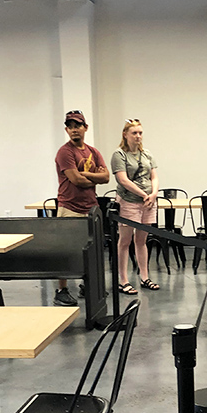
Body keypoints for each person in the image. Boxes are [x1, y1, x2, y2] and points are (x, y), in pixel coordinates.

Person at [53, 109, 109, 306]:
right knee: (67, 250)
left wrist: (90, 177)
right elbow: (76, 179)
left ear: (86, 127)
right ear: (67, 130)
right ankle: (61, 290)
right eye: (70, 126)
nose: (74, 129)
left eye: (78, 125)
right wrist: (95, 177)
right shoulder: (65, 152)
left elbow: (107, 177)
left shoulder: (93, 152)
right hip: (69, 206)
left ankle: (88, 284)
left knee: (91, 250)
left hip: (91, 208)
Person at [111, 118, 159, 294]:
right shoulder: (119, 155)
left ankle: (144, 277)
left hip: (147, 202)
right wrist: (143, 194)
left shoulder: (146, 154)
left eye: (140, 133)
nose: (138, 136)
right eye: (134, 133)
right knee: (125, 241)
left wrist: (153, 194)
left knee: (142, 241)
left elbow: (154, 176)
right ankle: (123, 280)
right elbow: (122, 179)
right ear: (125, 134)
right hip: (129, 201)